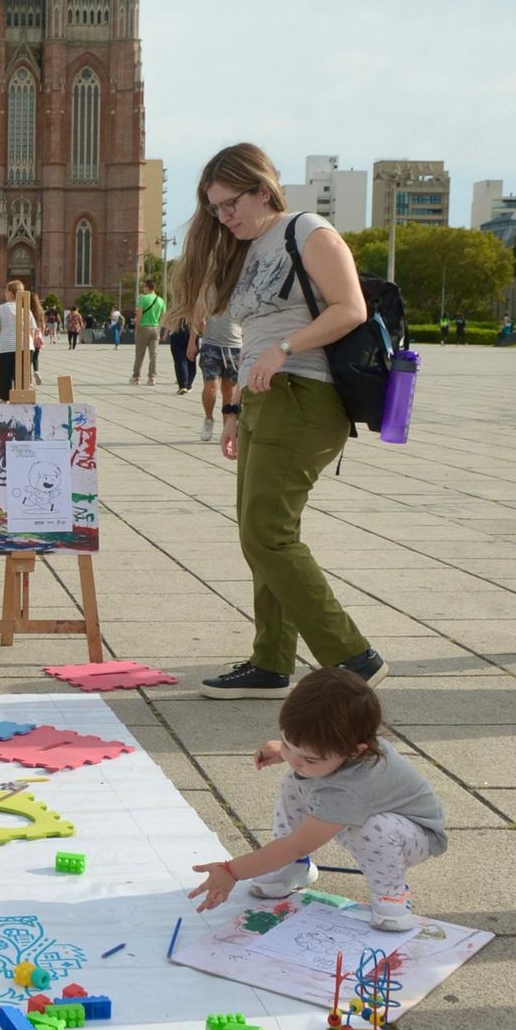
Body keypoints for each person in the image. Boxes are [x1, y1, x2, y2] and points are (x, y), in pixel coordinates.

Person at [170, 140, 387, 699]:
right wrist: (235, 410)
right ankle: (271, 662)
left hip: (307, 395)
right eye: (215, 208)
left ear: (262, 190)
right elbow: (251, 337)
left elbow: (350, 307)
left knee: (267, 532)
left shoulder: (307, 231)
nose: (224, 217)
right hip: (266, 398)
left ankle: (351, 655)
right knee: (256, 533)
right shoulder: (246, 250)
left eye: (230, 204)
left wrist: (287, 348)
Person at [189, 667, 445, 930]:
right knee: (296, 781)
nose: (296, 761)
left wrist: (232, 871)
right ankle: (294, 869)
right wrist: (283, 752)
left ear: (355, 752)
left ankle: (392, 893)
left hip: (414, 835)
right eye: (288, 743)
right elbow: (305, 757)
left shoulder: (349, 789)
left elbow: (296, 844)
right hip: (362, 812)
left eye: (310, 758)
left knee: (373, 828)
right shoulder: (336, 748)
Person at [191, 306, 242, 444]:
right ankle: (208, 419)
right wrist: (192, 342)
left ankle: (228, 428)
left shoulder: (242, 286)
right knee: (211, 387)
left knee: (229, 391)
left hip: (235, 346)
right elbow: (198, 314)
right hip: (211, 345)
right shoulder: (209, 289)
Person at [0, 281, 26, 401]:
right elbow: (31, 330)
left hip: (6, 347)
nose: (4, 293)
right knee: (21, 376)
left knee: (5, 375)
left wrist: (3, 332)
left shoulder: (2, 308)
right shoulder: (26, 309)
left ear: (10, 293)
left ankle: (5, 399)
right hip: (23, 346)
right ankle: (22, 398)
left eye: (5, 290)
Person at [130, 282, 165, 385]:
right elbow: (163, 315)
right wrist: (159, 327)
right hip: (155, 328)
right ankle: (152, 378)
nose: (143, 289)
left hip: (144, 327)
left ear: (148, 287)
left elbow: (139, 314)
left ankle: (136, 377)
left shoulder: (143, 299)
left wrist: (137, 327)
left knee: (140, 354)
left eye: (144, 287)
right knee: (153, 355)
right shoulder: (160, 300)